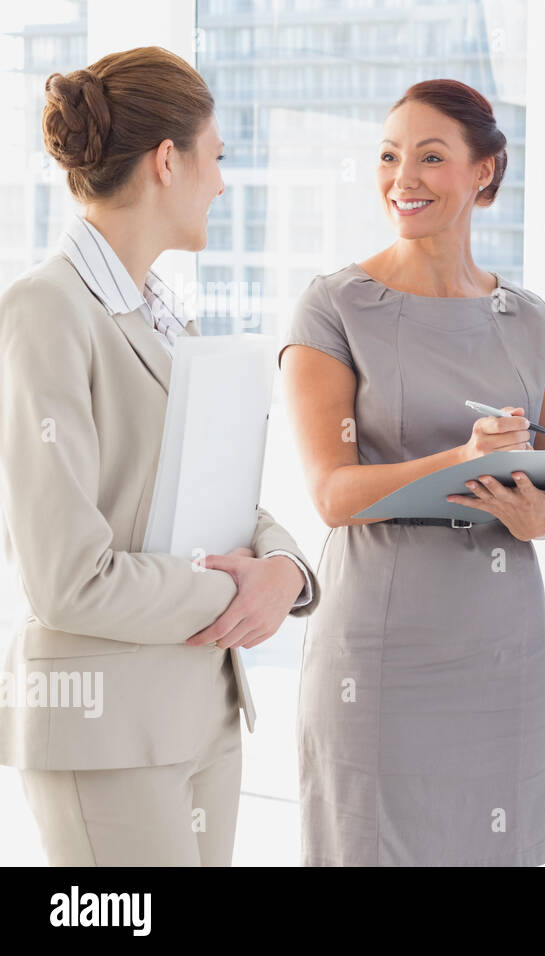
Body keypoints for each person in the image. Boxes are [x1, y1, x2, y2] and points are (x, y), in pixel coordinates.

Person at [0, 46, 319, 867]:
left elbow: (219, 495)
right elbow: (68, 578)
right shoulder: (45, 311)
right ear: (167, 161)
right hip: (106, 725)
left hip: (202, 710)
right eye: (217, 158)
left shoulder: (161, 313)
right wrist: (232, 584)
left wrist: (285, 571)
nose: (222, 182)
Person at [280, 78, 545, 866]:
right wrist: (462, 460)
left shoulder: (531, 319)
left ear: (485, 171)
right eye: (388, 157)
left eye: (430, 157)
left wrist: (537, 517)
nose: (402, 179)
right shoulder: (335, 306)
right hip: (380, 657)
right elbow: (332, 495)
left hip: (502, 652)